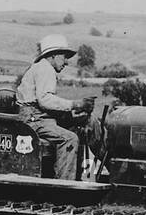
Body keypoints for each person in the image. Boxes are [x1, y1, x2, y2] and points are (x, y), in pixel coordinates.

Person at [16, 34, 94, 180]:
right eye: (64, 57)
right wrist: (76, 104)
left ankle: (77, 176)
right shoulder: (45, 69)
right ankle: (65, 184)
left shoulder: (42, 67)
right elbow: (45, 100)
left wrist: (73, 112)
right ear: (53, 55)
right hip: (34, 120)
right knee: (70, 139)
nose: (66, 62)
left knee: (79, 126)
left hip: (37, 117)